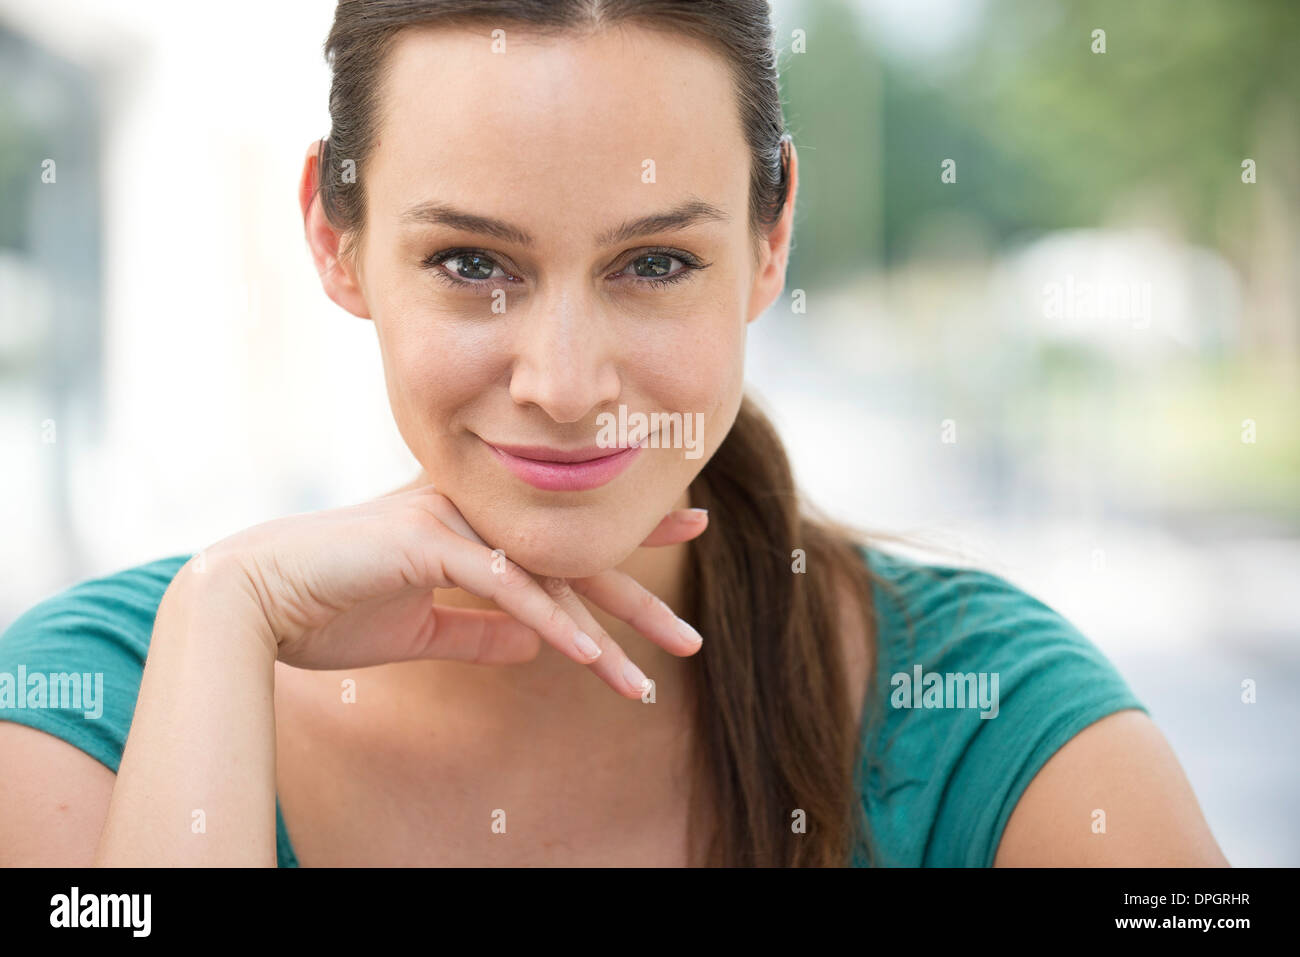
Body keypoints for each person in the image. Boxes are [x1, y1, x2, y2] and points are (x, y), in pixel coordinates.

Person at [0, 0, 1227, 867]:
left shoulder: (993, 728)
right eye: (472, 261)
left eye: (654, 262)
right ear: (336, 237)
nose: (569, 382)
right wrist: (224, 618)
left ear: (771, 237)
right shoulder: (90, 707)